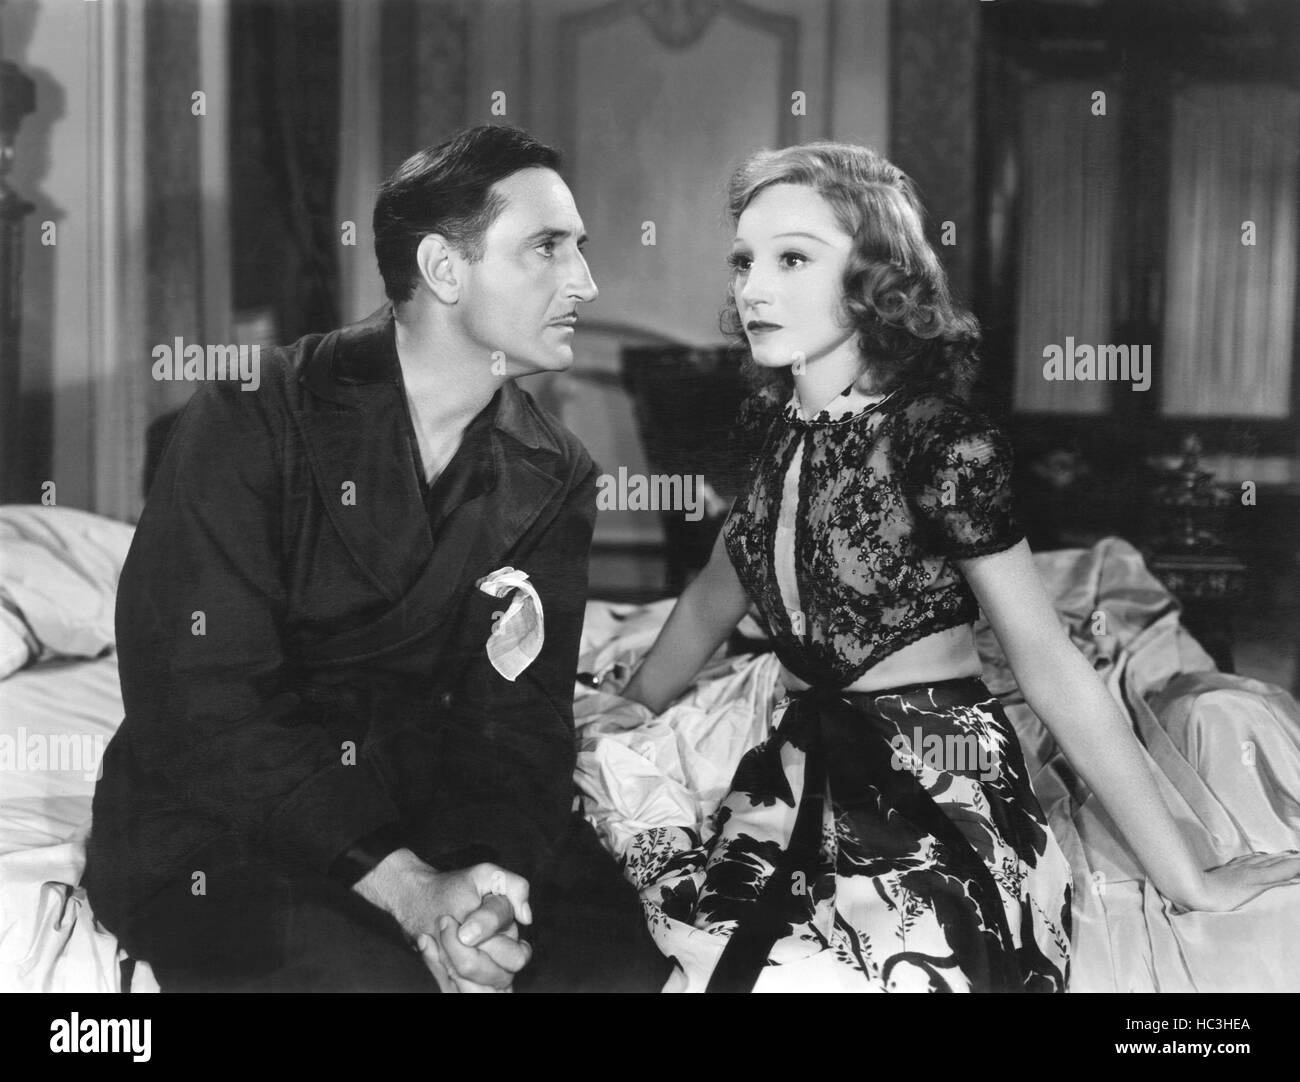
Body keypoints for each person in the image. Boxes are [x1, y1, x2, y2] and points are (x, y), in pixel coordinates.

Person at [618, 141, 1300, 992]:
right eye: (745, 261)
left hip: (942, 768)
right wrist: (630, 706)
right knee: (730, 952)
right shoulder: (770, 429)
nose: (754, 287)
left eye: (793, 258)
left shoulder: (944, 443)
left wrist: (1186, 879)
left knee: (838, 974)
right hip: (799, 770)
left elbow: (1049, 665)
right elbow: (710, 597)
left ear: (873, 277)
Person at [84, 125, 668, 993]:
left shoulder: (554, 474)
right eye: (548, 248)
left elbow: (516, 722)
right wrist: (406, 887)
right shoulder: (252, 415)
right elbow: (203, 704)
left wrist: (485, 885)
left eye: (579, 248)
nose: (585, 281)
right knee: (369, 981)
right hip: (225, 820)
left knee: (610, 969)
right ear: (443, 269)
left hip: (434, 808)